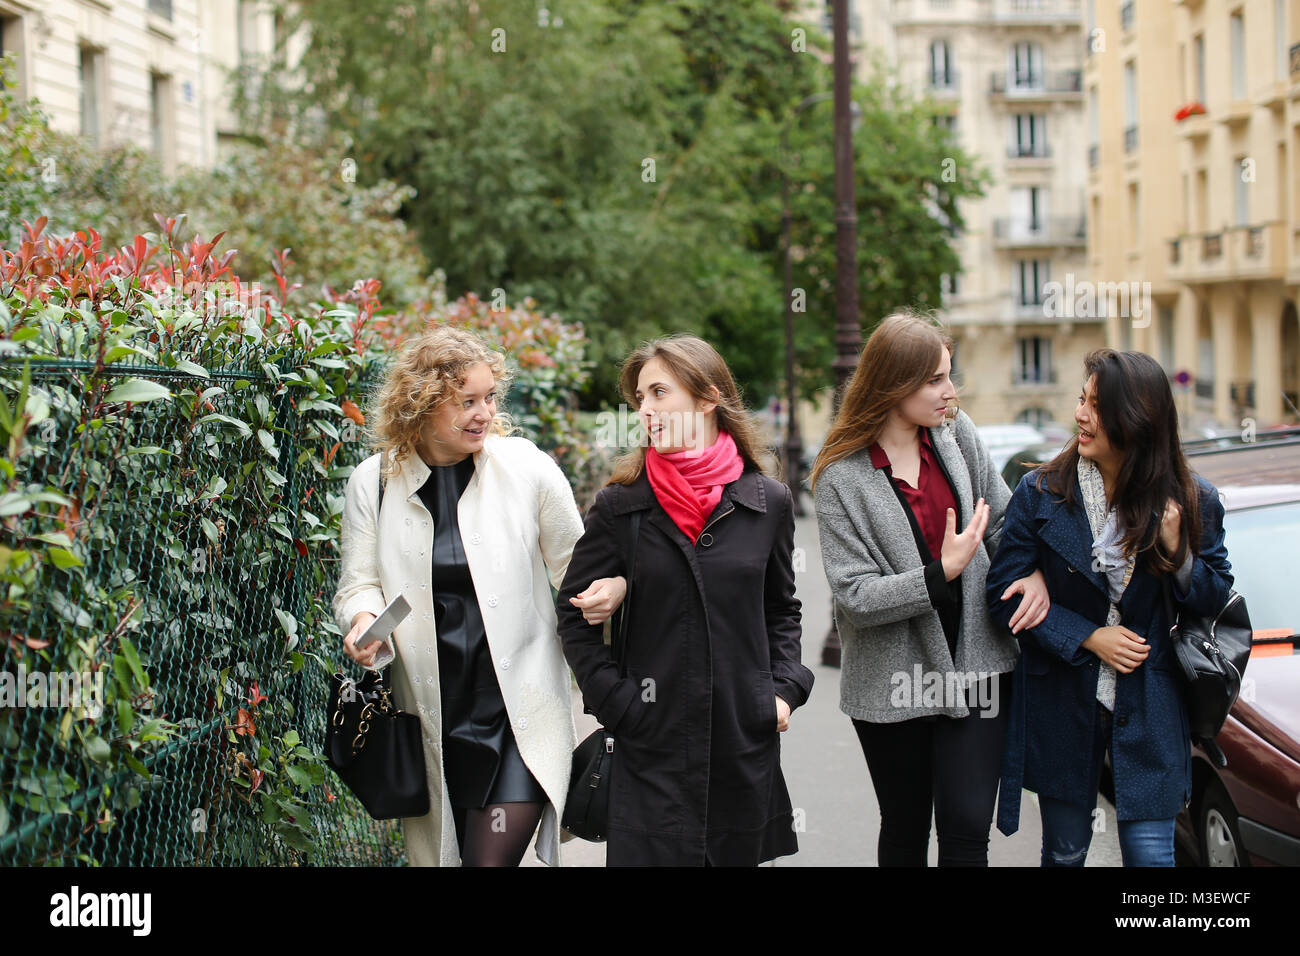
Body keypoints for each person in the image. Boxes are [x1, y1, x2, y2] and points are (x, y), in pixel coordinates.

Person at [332, 325, 625, 866]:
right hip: (431, 717)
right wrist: (363, 617)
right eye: (465, 401)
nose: (484, 413)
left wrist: (610, 590)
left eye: (489, 397)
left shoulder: (526, 467)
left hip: (520, 712)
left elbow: (577, 567)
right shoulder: (372, 482)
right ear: (420, 404)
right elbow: (357, 581)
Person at [555, 334, 814, 866]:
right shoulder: (621, 504)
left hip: (740, 740)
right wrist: (617, 703)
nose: (644, 410)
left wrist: (784, 690)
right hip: (650, 745)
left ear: (707, 399)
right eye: (639, 399)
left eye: (658, 393)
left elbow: (780, 608)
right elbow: (572, 613)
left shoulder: (767, 502)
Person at [810, 311, 1050, 866]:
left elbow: (1009, 518)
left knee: (967, 829)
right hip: (892, 682)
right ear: (893, 384)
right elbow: (856, 597)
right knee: (905, 829)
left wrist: (1030, 569)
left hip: (979, 665)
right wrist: (939, 572)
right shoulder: (841, 477)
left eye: (951, 375)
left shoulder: (955, 434)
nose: (950, 391)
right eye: (935, 380)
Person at [985, 348, 1233, 866]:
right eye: (1081, 399)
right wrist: (1086, 636)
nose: (1080, 413)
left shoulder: (1192, 500)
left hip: (1153, 703)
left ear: (1137, 418)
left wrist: (1176, 552)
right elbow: (1001, 593)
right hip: (1064, 702)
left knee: (1150, 858)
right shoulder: (1041, 493)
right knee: (1066, 853)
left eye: (1096, 405)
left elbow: (1216, 600)